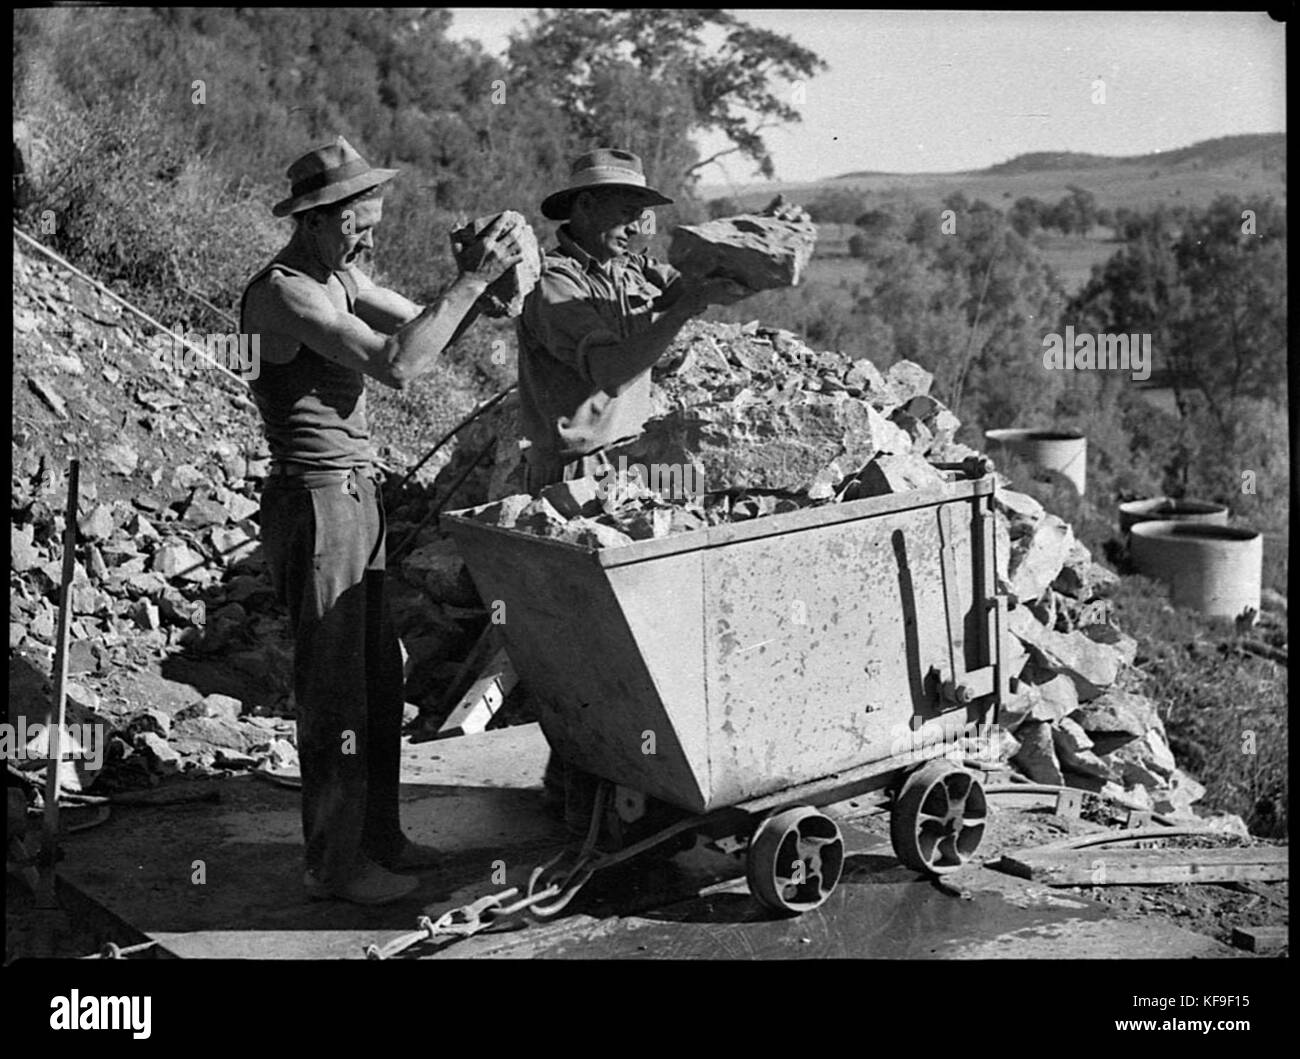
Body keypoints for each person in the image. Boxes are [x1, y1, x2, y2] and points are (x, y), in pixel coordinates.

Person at [240, 135, 528, 905]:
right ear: (310, 220)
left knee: (377, 674)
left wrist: (485, 293)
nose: (365, 237)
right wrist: (469, 283)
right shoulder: (284, 293)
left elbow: (429, 334)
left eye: (373, 222)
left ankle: (380, 835)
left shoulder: (339, 273)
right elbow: (398, 365)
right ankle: (333, 866)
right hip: (317, 496)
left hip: (355, 495)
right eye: (355, 223)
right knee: (334, 685)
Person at [516, 147, 753, 838]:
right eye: (622, 213)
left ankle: (613, 799)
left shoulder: (624, 271)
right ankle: (583, 811)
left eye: (642, 214)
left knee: (631, 651)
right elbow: (615, 371)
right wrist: (684, 311)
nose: (636, 226)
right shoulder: (557, 285)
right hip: (572, 484)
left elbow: (674, 294)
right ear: (582, 210)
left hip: (628, 475)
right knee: (588, 653)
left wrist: (725, 266)